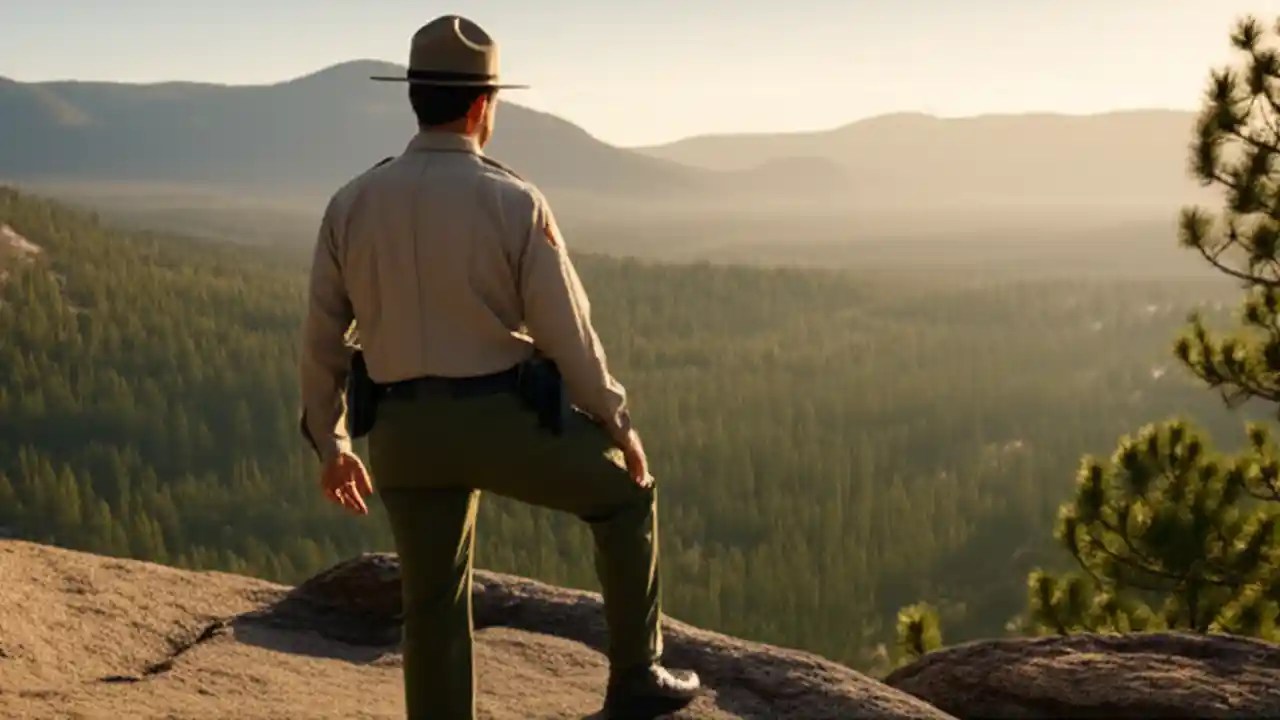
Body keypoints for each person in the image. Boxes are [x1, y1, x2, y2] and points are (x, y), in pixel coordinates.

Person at [298, 14, 701, 720]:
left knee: (430, 607)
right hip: (500, 420)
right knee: (627, 498)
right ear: (483, 106)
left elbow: (321, 341)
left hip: (398, 435)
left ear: (414, 98)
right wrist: (616, 421)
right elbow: (568, 334)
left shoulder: (351, 202)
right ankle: (638, 676)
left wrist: (332, 446)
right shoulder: (514, 200)